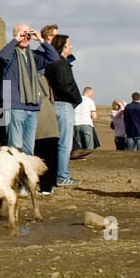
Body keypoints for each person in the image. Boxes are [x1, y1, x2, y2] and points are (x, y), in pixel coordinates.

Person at [0, 24, 58, 155]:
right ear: (15, 35)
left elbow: (54, 58)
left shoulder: (33, 56)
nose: (26, 37)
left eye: (28, 34)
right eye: (23, 34)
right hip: (15, 106)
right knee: (15, 148)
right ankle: (16, 175)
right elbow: (1, 57)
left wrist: (40, 40)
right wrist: (16, 40)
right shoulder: (10, 55)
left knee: (29, 149)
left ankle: (26, 175)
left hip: (32, 108)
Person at [45, 33, 83, 186]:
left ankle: (58, 174)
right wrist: (77, 99)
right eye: (69, 44)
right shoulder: (60, 64)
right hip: (64, 104)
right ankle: (62, 175)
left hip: (57, 104)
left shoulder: (54, 63)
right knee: (64, 143)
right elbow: (65, 85)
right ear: (63, 46)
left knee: (59, 143)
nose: (71, 46)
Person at [33, 73, 60, 194]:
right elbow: (51, 98)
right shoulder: (44, 77)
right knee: (51, 155)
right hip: (50, 121)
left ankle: (43, 184)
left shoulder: (29, 76)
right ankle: (49, 185)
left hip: (37, 120)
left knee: (40, 155)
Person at [72, 87, 100, 151]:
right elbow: (94, 116)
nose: (92, 95)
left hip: (76, 124)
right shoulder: (90, 101)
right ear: (88, 92)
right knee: (89, 144)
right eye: (92, 93)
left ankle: (80, 157)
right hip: (86, 124)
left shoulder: (76, 99)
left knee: (78, 144)